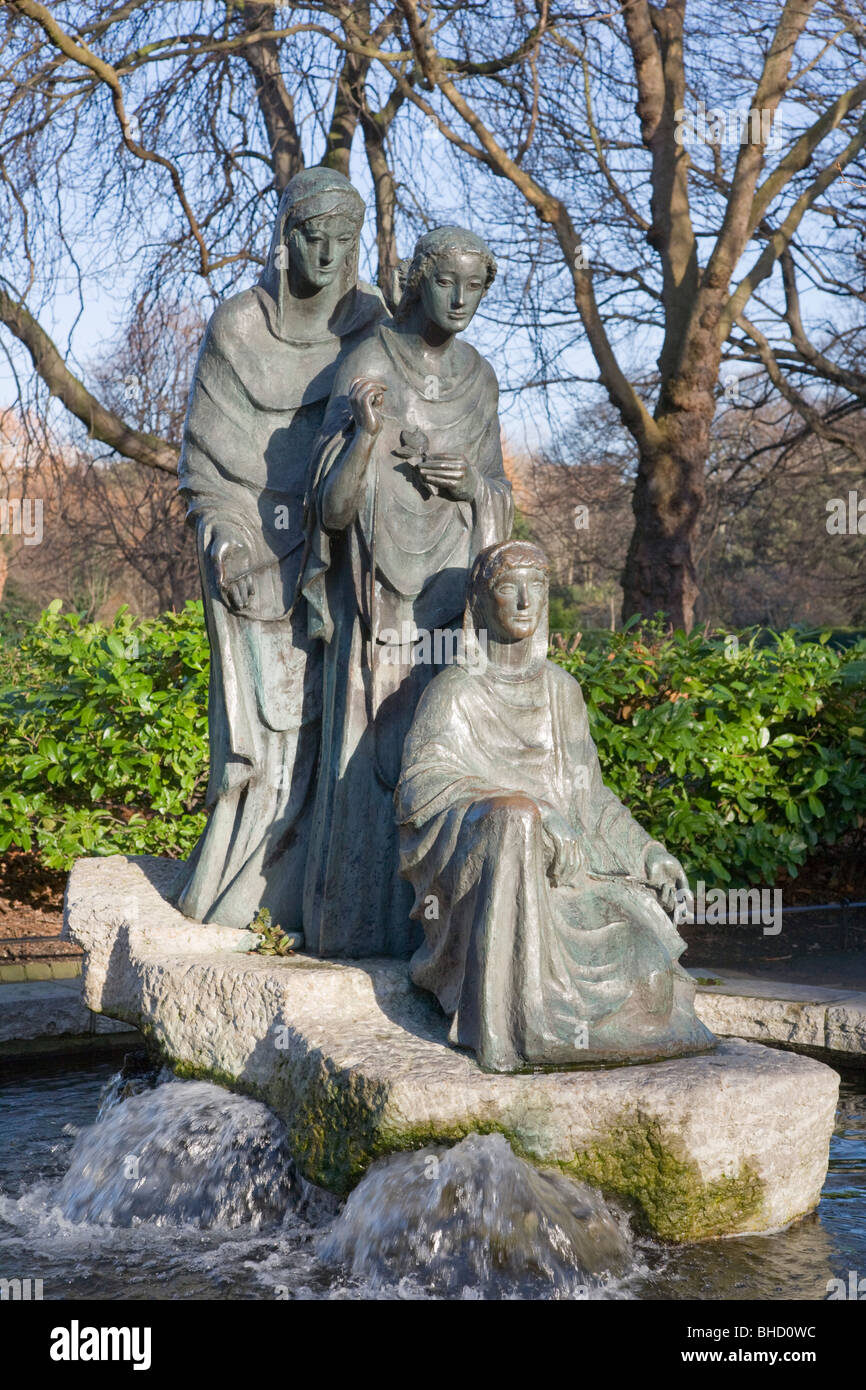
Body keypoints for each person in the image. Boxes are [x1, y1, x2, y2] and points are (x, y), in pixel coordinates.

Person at [396, 540, 716, 1073]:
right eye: (507, 587)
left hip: (571, 883)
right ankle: (520, 1028)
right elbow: (419, 790)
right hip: (497, 887)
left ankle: (579, 1033)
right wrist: (527, 810)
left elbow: (590, 795)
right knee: (515, 817)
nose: (524, 600)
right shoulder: (455, 693)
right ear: (480, 602)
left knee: (652, 981)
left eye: (536, 587)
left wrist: (648, 853)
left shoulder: (562, 692)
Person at [176, 168, 386, 933]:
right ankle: (242, 895)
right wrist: (227, 543)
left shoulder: (372, 328)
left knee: (342, 738)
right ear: (285, 235)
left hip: (343, 560)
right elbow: (206, 466)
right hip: (256, 558)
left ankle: (327, 899)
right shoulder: (237, 325)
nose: (327, 253)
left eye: (344, 238)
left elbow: (392, 441)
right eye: (312, 235)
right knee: (264, 751)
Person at [300, 226, 513, 957]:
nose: (460, 298)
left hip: (452, 593)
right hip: (376, 596)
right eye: (447, 281)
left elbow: (501, 498)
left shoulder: (480, 379)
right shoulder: (369, 360)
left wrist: (476, 489)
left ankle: (446, 936)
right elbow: (328, 509)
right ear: (418, 279)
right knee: (370, 753)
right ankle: (364, 928)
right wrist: (364, 435)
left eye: (475, 286)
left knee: (448, 747)